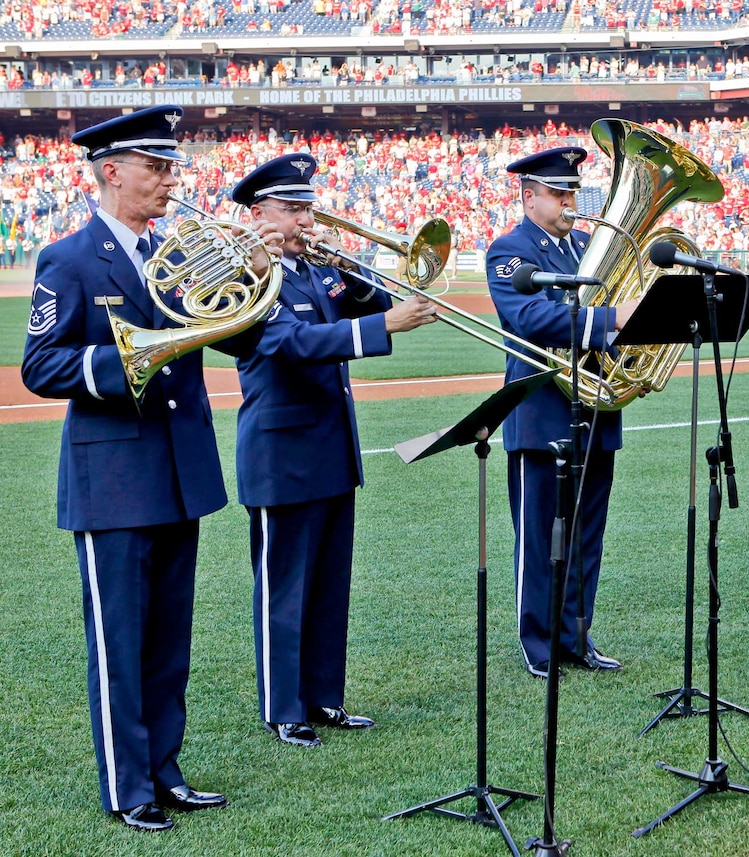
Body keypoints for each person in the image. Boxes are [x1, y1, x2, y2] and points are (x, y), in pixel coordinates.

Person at [20, 105, 280, 832]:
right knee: (121, 645)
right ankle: (127, 785)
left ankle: (166, 769)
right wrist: (129, 358)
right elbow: (41, 365)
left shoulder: (181, 253)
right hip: (112, 481)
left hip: (178, 471)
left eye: (171, 167)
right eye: (156, 167)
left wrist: (258, 277)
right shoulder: (68, 259)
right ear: (111, 172)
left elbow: (247, 340)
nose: (170, 181)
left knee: (169, 645)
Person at [230, 154, 437, 746]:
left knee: (328, 587)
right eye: (291, 209)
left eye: (306, 208)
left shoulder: (317, 270)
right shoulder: (245, 279)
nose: (304, 219)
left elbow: (369, 301)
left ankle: (324, 699)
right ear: (258, 214)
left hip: (330, 451)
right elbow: (290, 343)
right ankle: (283, 708)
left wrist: (353, 264)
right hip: (281, 454)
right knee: (284, 590)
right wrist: (385, 329)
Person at [485, 147, 638, 678]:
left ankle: (577, 636)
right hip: (541, 413)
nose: (569, 201)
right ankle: (539, 643)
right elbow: (531, 316)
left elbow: (608, 326)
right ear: (529, 197)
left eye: (572, 191)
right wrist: (616, 317)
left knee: (586, 535)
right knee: (539, 536)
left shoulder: (586, 250)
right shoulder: (510, 251)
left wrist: (633, 346)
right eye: (557, 193)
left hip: (597, 411)